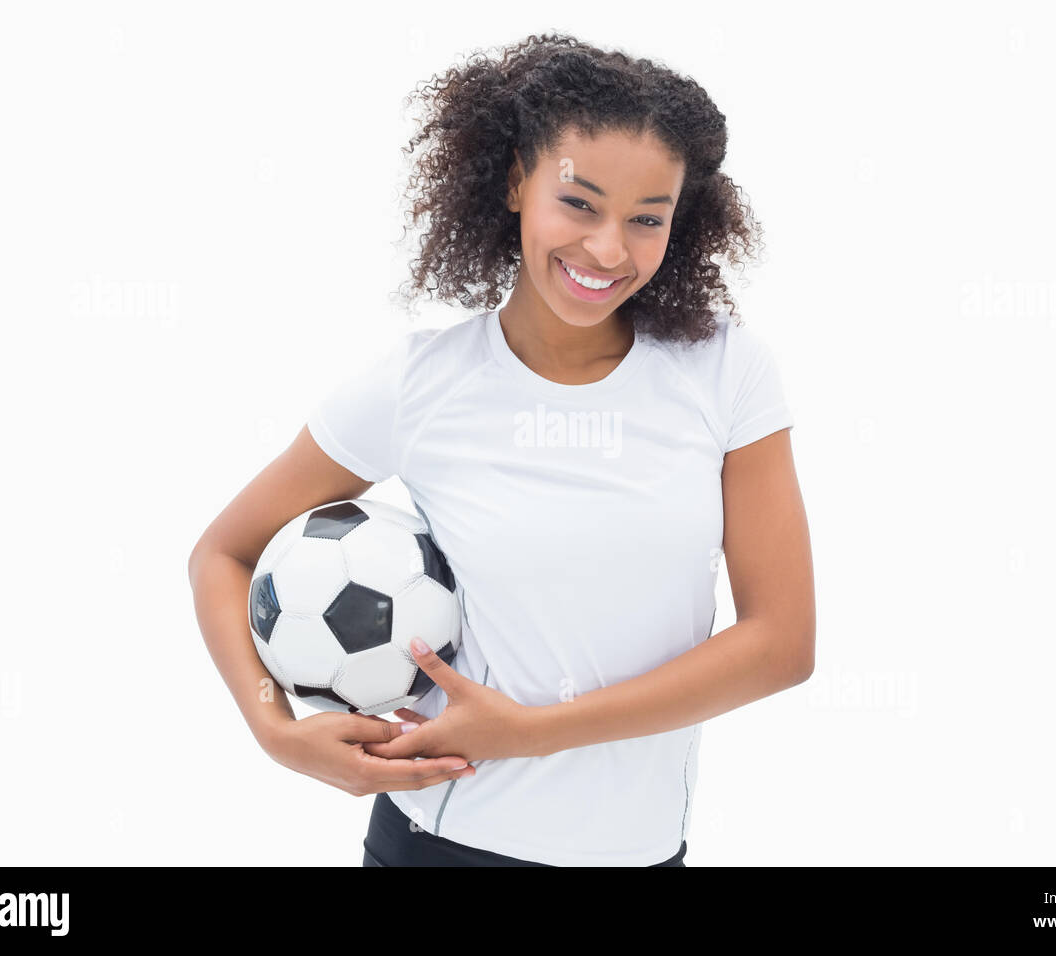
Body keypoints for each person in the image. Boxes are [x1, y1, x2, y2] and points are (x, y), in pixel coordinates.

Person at [187, 32, 815, 867]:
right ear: (518, 180)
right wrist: (273, 728)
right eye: (580, 203)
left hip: (643, 853)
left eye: (646, 219)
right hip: (440, 845)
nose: (607, 250)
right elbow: (221, 554)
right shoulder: (423, 384)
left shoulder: (727, 373)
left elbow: (782, 644)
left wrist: (533, 733)